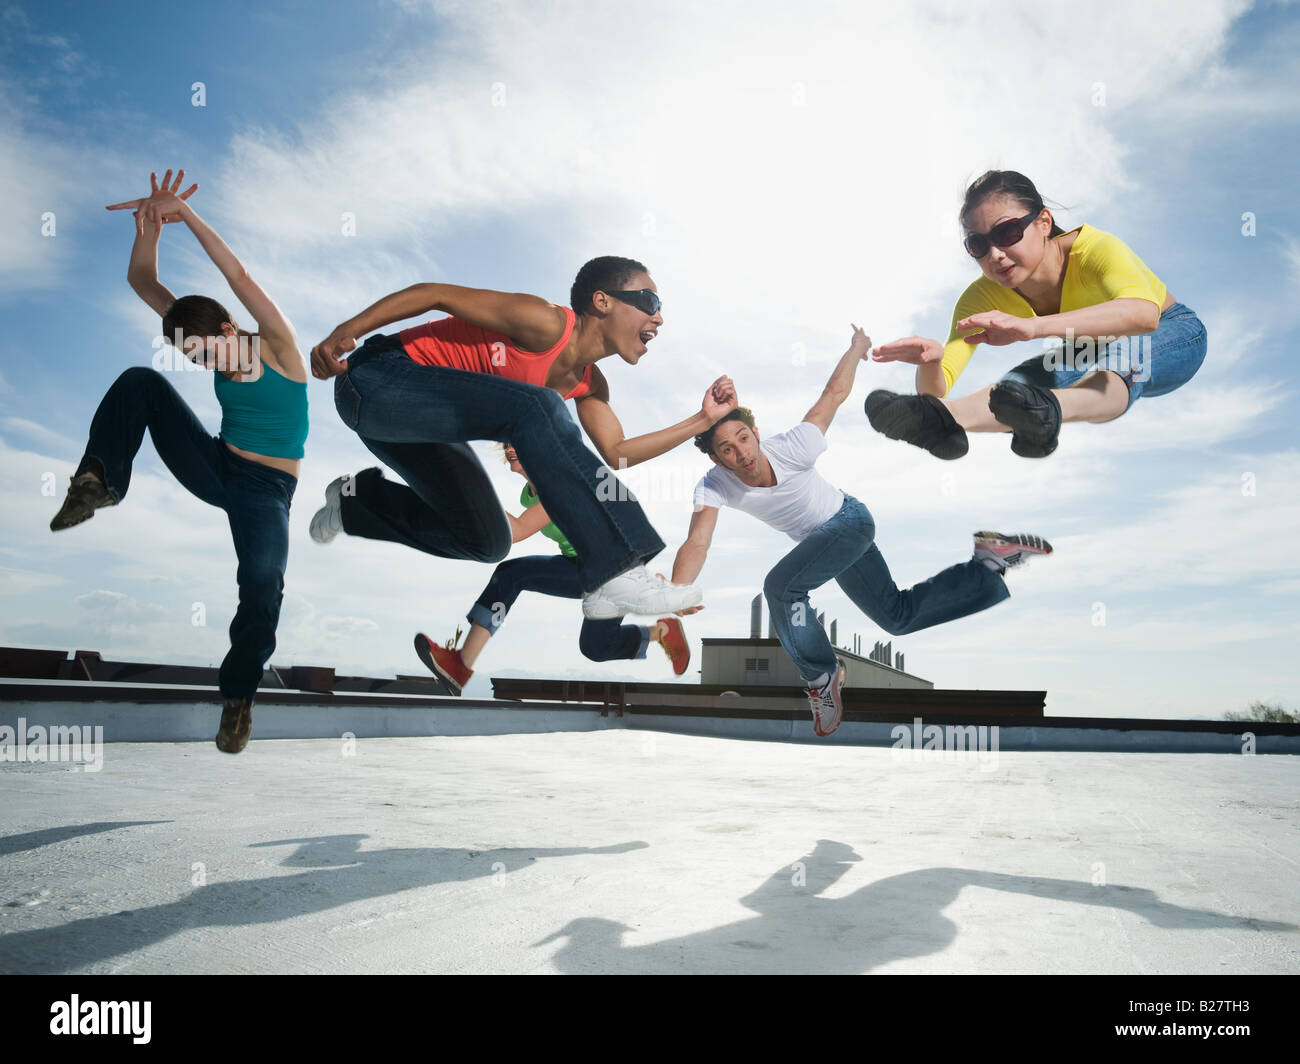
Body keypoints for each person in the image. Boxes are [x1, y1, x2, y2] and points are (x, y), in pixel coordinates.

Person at [671, 326, 1051, 737]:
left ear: (755, 433)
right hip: (829, 546)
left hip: (850, 522)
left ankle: (821, 678)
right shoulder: (714, 485)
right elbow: (698, 540)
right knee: (896, 617)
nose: (742, 453)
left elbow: (833, 394)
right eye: (727, 449)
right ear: (714, 456)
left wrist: (857, 348)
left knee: (780, 588)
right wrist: (676, 590)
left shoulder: (794, 446)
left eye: (743, 439)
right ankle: (987, 563)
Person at [308, 256, 728, 620]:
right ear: (602, 301)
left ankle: (354, 505)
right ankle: (614, 570)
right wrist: (347, 330)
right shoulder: (545, 322)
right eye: (650, 303)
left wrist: (702, 419)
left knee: (489, 541)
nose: (658, 318)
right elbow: (435, 293)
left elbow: (617, 453)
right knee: (537, 405)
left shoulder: (589, 384)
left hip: (416, 430)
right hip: (374, 382)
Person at [51, 170, 309, 755]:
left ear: (225, 328)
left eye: (203, 350)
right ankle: (97, 482)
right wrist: (148, 227)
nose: (200, 363)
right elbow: (143, 281)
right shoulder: (205, 344)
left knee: (263, 584)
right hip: (217, 465)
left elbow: (237, 276)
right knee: (141, 382)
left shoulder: (278, 347)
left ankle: (238, 699)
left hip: (267, 492)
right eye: (188, 357)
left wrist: (186, 216)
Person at [865, 170, 1207, 458]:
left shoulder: (1094, 249)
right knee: (1015, 389)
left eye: (1007, 233)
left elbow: (1143, 314)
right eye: (978, 245)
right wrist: (932, 363)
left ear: (1044, 222)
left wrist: (1033, 327)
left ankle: (1048, 412)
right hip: (1088, 347)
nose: (995, 255)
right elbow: (935, 390)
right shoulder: (981, 296)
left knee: (1126, 353)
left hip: (1174, 334)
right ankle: (943, 423)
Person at [414, 446, 691, 695]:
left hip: (613, 569)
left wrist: (464, 493)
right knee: (516, 578)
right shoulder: (529, 496)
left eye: (517, 441)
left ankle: (460, 665)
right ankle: (460, 667)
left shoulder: (558, 484)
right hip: (580, 566)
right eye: (507, 443)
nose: (511, 448)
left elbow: (518, 530)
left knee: (589, 643)